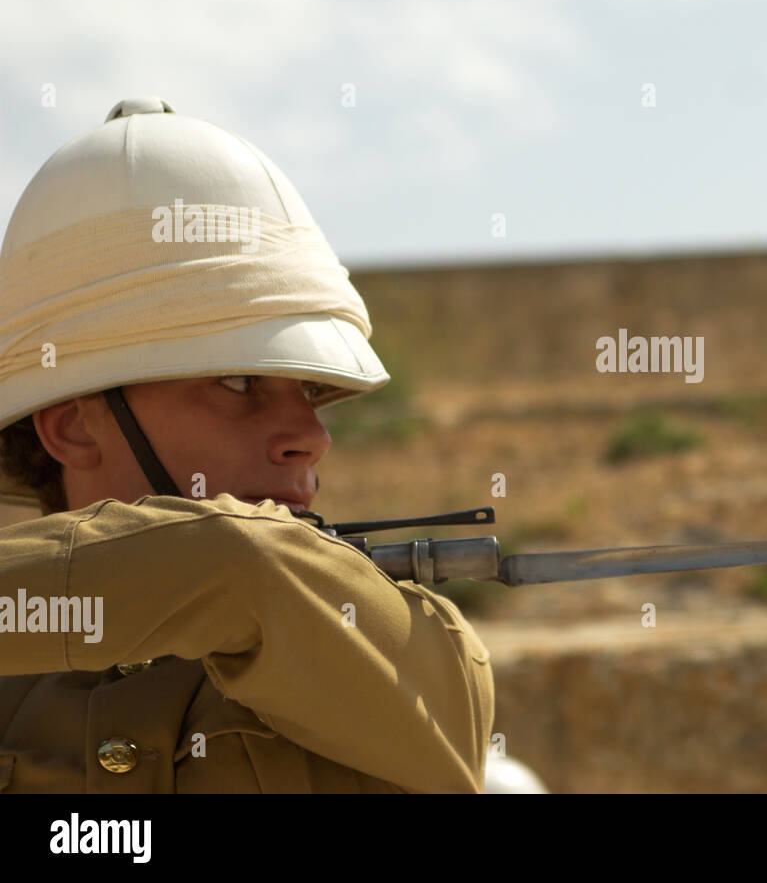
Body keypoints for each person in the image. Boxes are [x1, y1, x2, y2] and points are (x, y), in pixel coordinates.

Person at [0, 97, 494, 793]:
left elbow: (240, 564)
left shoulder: (412, 648)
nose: (312, 437)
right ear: (75, 426)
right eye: (238, 381)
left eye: (314, 393)